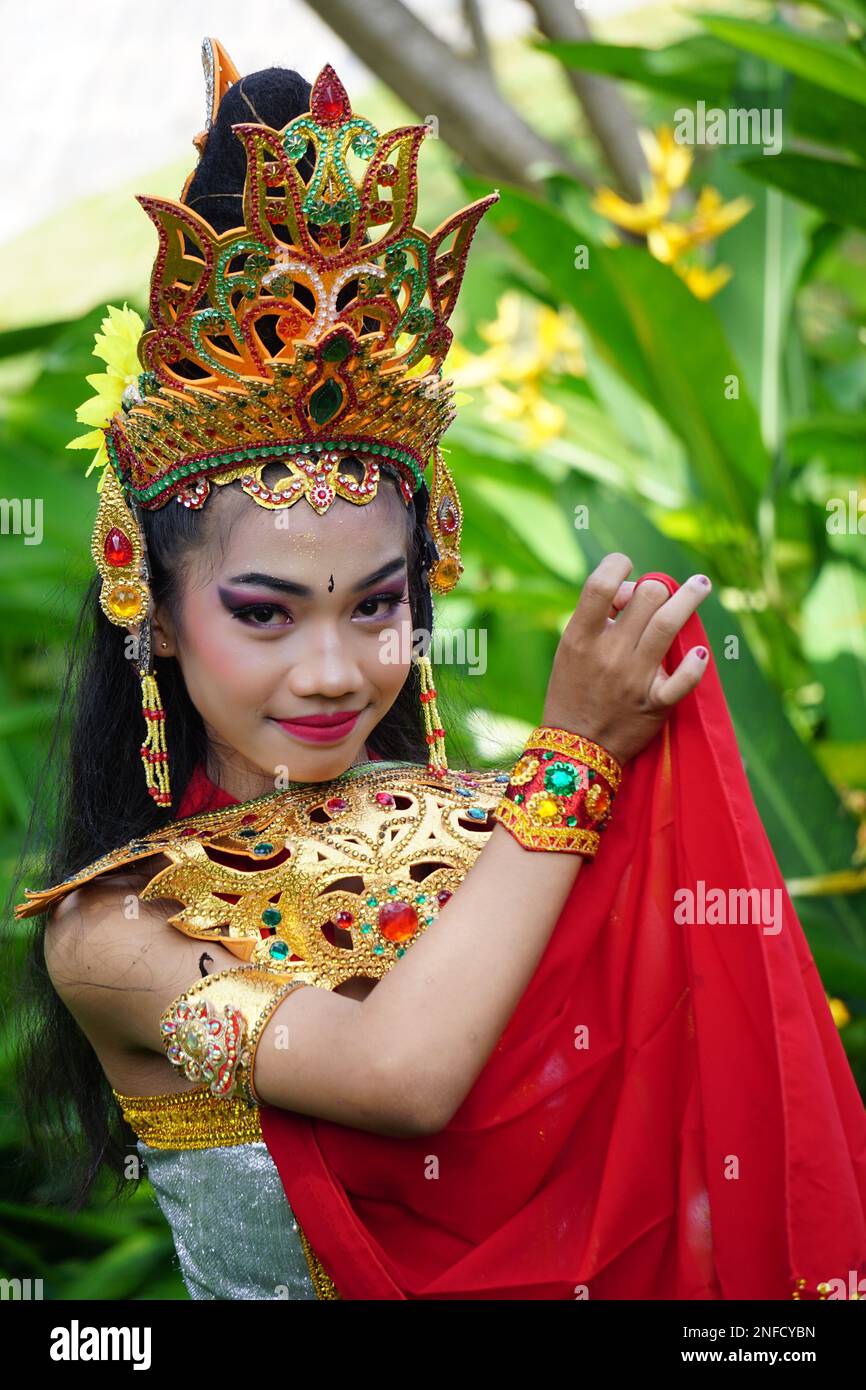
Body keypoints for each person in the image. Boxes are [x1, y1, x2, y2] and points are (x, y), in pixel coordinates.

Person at [13, 38, 866, 1302]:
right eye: (265, 613)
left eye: (378, 605)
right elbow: (398, 1079)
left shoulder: (482, 826)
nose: (333, 670)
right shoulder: (116, 935)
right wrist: (574, 764)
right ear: (154, 603)